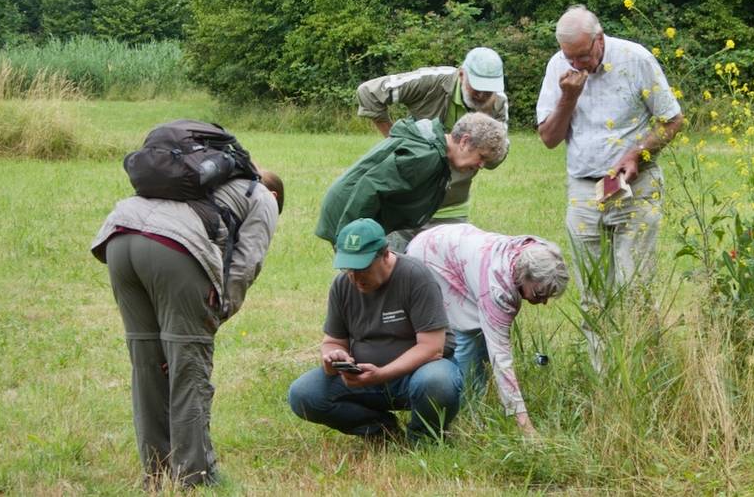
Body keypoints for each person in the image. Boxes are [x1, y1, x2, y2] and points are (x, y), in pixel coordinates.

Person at [90, 170, 284, 488]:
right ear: (276, 197)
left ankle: (155, 474)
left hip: (119, 238)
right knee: (189, 368)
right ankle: (196, 476)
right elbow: (247, 263)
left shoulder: (199, 179)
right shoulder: (262, 197)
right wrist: (213, 317)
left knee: (147, 365)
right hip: (170, 248)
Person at [535, 5, 684, 369]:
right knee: (592, 291)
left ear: (600, 39)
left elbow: (672, 120)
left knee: (634, 287)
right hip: (585, 190)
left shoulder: (636, 59)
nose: (578, 64)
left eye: (584, 55)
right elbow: (549, 138)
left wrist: (638, 153)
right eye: (571, 57)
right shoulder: (560, 67)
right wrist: (568, 97)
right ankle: (604, 373)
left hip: (636, 186)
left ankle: (642, 368)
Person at [288, 218, 463, 442]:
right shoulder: (342, 285)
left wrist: (381, 374)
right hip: (363, 376)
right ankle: (381, 431)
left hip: (414, 375)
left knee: (438, 382)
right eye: (348, 267)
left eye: (363, 267)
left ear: (385, 253)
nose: (355, 276)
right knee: (303, 394)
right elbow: (332, 340)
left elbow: (432, 348)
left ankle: (424, 439)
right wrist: (333, 357)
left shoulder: (416, 277)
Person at [406, 223, 569, 437]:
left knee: (480, 334)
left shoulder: (538, 251)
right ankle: (460, 417)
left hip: (455, 245)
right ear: (524, 276)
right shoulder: (497, 289)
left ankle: (473, 410)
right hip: (432, 256)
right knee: (469, 336)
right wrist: (525, 426)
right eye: (539, 294)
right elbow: (501, 361)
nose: (544, 302)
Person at [355, 47, 509, 252]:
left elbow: (498, 158)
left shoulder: (497, 103)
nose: (481, 94)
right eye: (476, 87)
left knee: (448, 276)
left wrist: (486, 128)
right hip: (405, 201)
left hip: (451, 209)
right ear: (462, 73)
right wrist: (395, 140)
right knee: (392, 271)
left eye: (487, 90)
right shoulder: (432, 81)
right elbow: (368, 92)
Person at [314, 112, 508, 245]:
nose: (481, 165)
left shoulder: (435, 148)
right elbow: (370, 186)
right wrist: (351, 238)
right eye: (481, 157)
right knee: (367, 278)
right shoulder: (426, 156)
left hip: (353, 207)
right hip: (348, 210)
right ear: (464, 141)